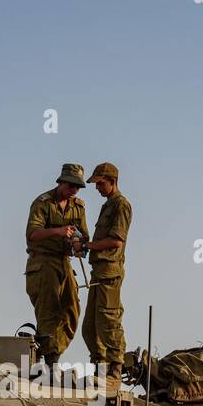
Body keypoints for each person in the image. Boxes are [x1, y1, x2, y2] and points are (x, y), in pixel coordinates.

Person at [24, 163, 89, 365]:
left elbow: (83, 236)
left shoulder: (78, 206)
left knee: (72, 310)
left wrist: (79, 245)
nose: (74, 191)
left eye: (78, 187)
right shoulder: (43, 202)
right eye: (71, 185)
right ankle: (49, 359)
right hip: (43, 260)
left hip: (65, 261)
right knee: (48, 310)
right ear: (61, 182)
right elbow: (32, 234)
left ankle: (53, 352)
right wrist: (58, 231)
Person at [81, 162, 132, 385]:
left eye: (100, 183)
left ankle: (115, 369)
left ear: (113, 182)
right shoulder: (108, 205)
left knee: (109, 321)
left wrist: (90, 246)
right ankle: (100, 367)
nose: (97, 188)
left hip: (110, 273)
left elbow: (116, 241)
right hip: (98, 272)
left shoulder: (121, 205)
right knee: (90, 327)